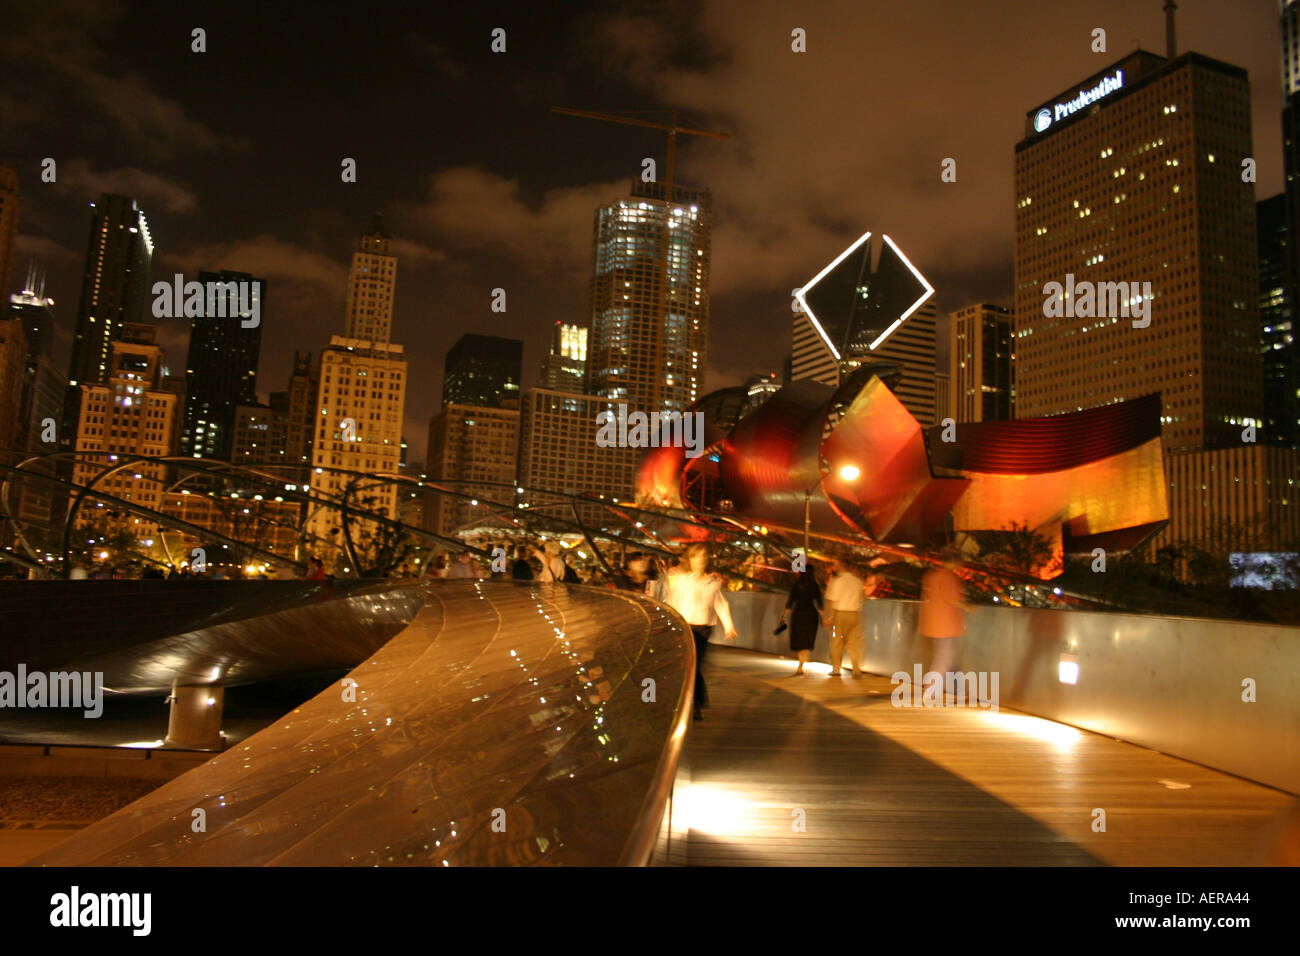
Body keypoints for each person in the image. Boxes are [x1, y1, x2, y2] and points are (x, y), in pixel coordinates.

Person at [662, 543, 738, 721]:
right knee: (688, 666)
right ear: (690, 559)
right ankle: (695, 702)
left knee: (695, 666)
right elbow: (672, 600)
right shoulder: (681, 580)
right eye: (696, 556)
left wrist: (729, 626)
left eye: (704, 556)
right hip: (684, 626)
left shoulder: (712, 582)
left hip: (703, 628)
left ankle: (695, 703)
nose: (701, 559)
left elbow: (720, 604)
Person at [919, 560, 968, 691]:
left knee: (947, 656)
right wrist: (968, 607)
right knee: (943, 658)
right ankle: (930, 691)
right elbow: (953, 599)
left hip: (933, 624)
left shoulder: (931, 576)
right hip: (946, 625)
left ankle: (957, 690)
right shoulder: (949, 578)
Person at [823, 559, 866, 677]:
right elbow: (861, 599)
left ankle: (836, 669)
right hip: (855, 615)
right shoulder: (858, 582)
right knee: (854, 643)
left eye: (836, 565)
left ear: (841, 566)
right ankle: (857, 669)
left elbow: (832, 600)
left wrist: (830, 617)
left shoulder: (837, 581)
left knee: (836, 642)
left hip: (839, 614)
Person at [779, 566, 823, 676]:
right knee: (807, 639)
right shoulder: (815, 585)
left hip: (798, 614)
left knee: (799, 638)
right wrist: (824, 618)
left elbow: (790, 602)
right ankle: (802, 661)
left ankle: (801, 663)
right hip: (811, 615)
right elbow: (819, 604)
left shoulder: (796, 584)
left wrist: (783, 615)